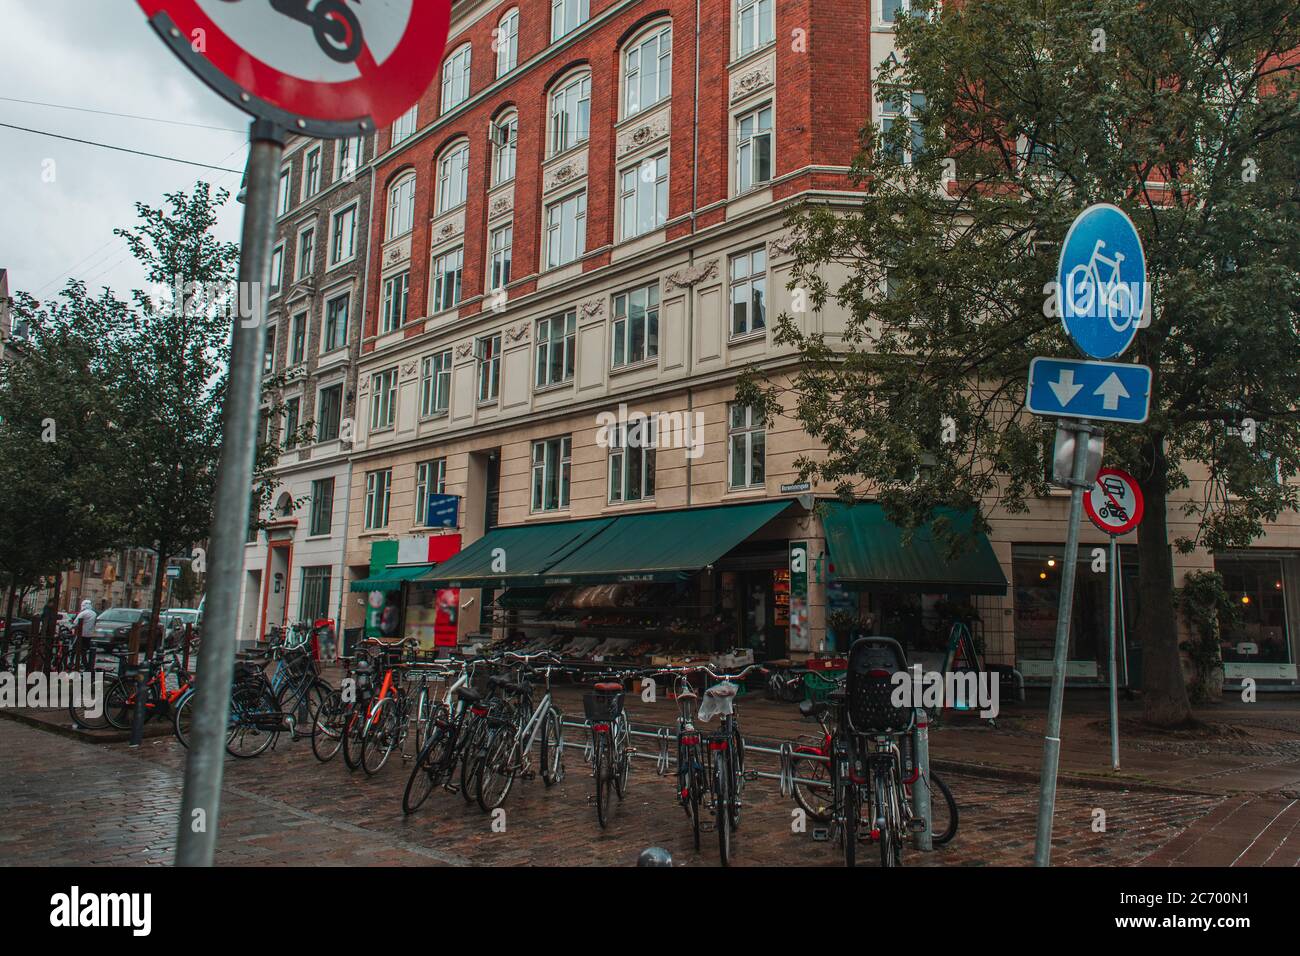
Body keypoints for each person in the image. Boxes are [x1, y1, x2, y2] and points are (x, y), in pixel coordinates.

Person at [72, 599, 97, 670]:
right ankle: (85, 664)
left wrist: (71, 628)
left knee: (74, 649)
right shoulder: (94, 613)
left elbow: (75, 623)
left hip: (81, 634)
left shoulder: (83, 613)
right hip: (89, 635)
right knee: (85, 650)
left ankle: (73, 663)